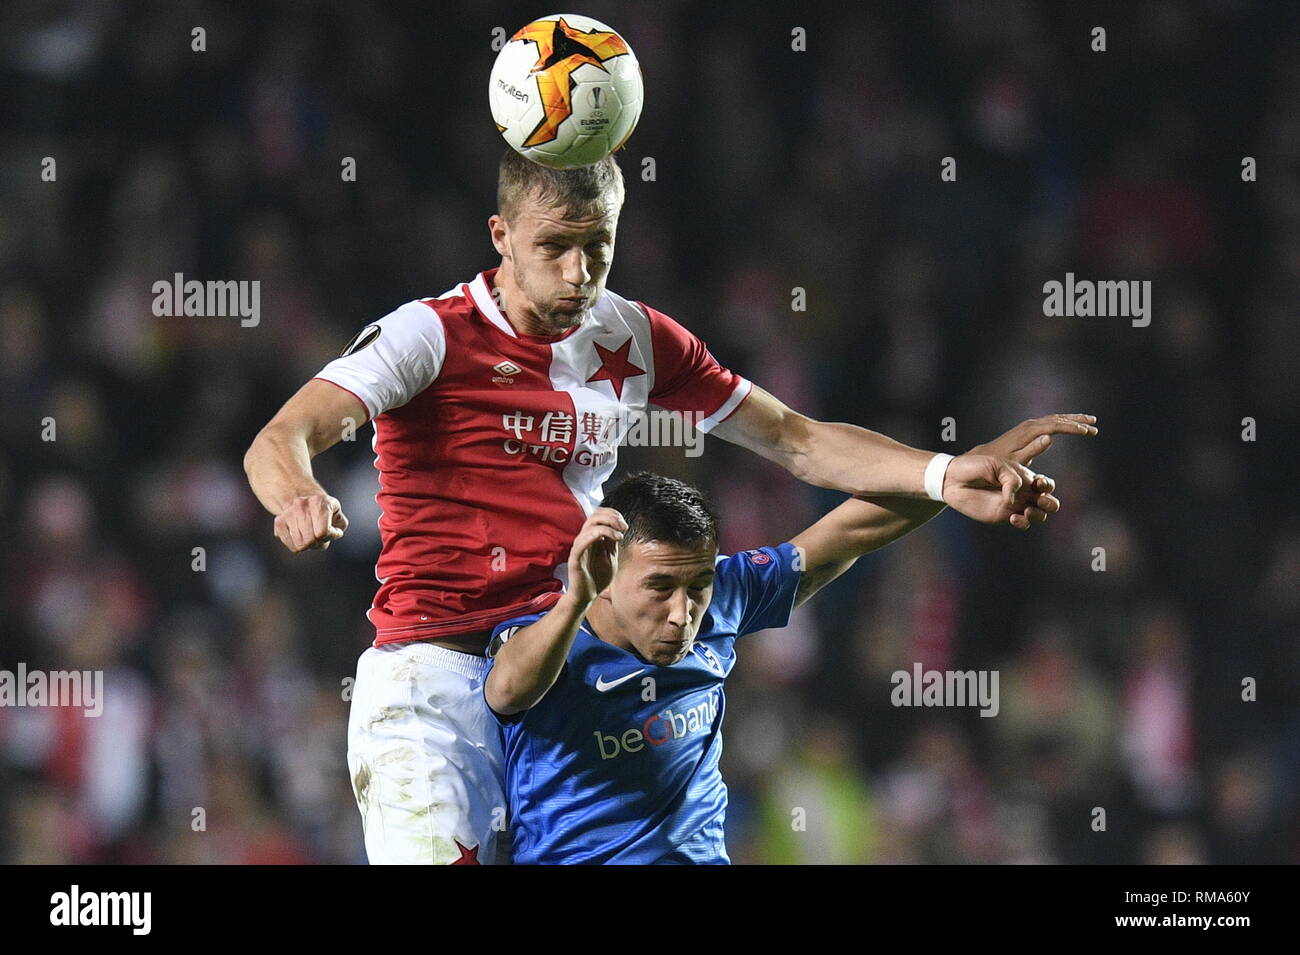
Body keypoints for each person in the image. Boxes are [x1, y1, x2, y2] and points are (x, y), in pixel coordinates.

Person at [243, 145, 1096, 864]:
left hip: (567, 677)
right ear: (501, 236)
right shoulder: (428, 335)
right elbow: (280, 438)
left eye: (599, 248)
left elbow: (797, 440)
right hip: (440, 673)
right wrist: (301, 497)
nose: (579, 274)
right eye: (555, 248)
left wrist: (947, 474)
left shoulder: (635, 337)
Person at [483, 418, 1093, 864]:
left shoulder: (722, 597)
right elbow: (507, 691)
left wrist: (949, 477)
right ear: (607, 571)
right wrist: (574, 600)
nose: (681, 614)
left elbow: (844, 533)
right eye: (659, 587)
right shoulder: (548, 637)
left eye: (695, 585)